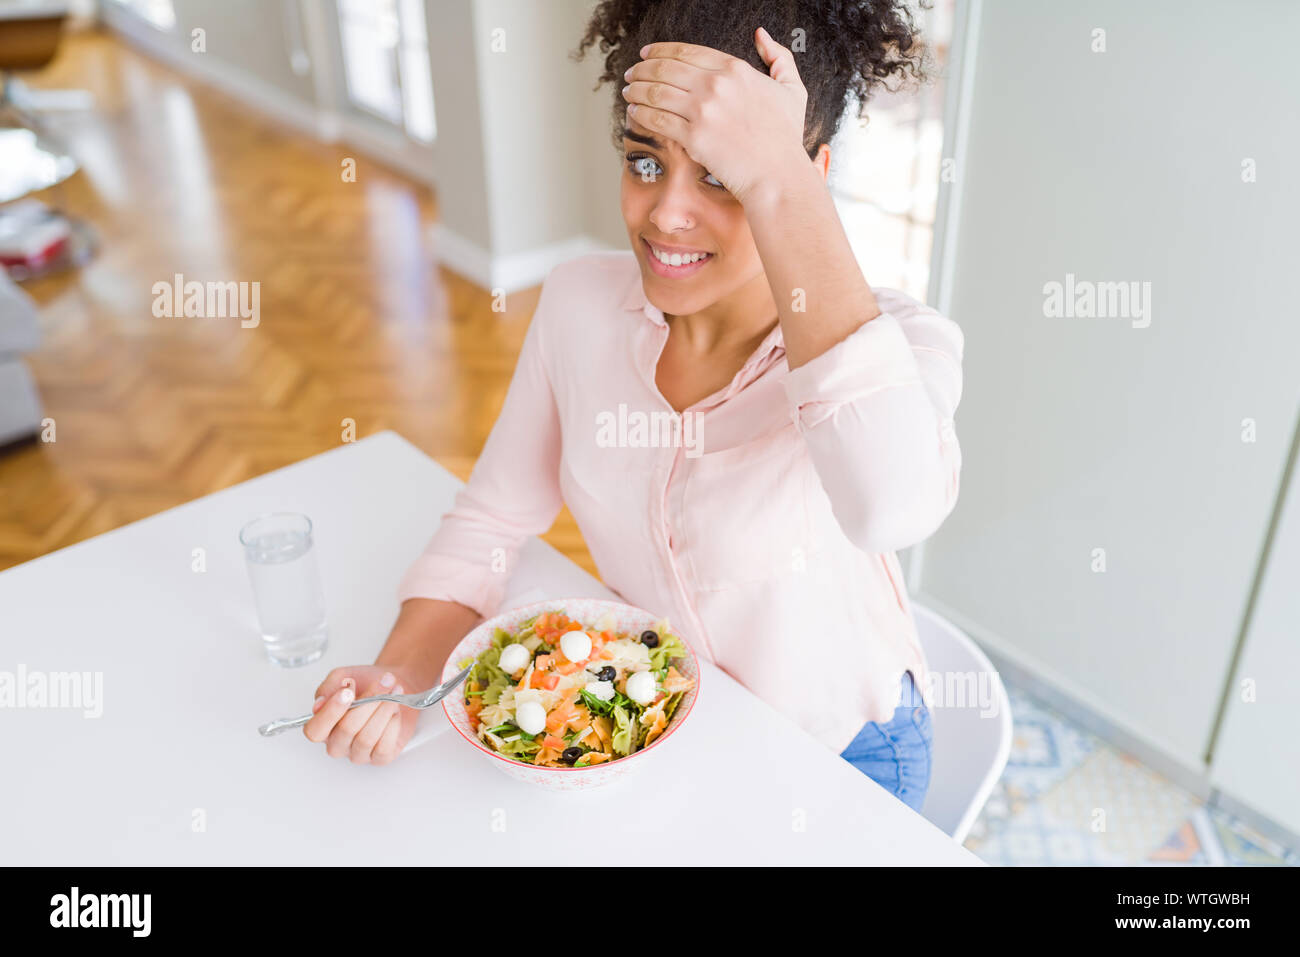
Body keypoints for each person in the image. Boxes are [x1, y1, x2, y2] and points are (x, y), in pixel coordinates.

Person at [304, 0, 958, 812]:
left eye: (721, 175)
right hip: (666, 728)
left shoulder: (897, 341)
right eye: (645, 161)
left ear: (808, 176)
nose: (663, 212)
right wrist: (401, 674)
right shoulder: (579, 305)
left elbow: (889, 507)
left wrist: (780, 180)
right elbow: (492, 521)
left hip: (841, 754)